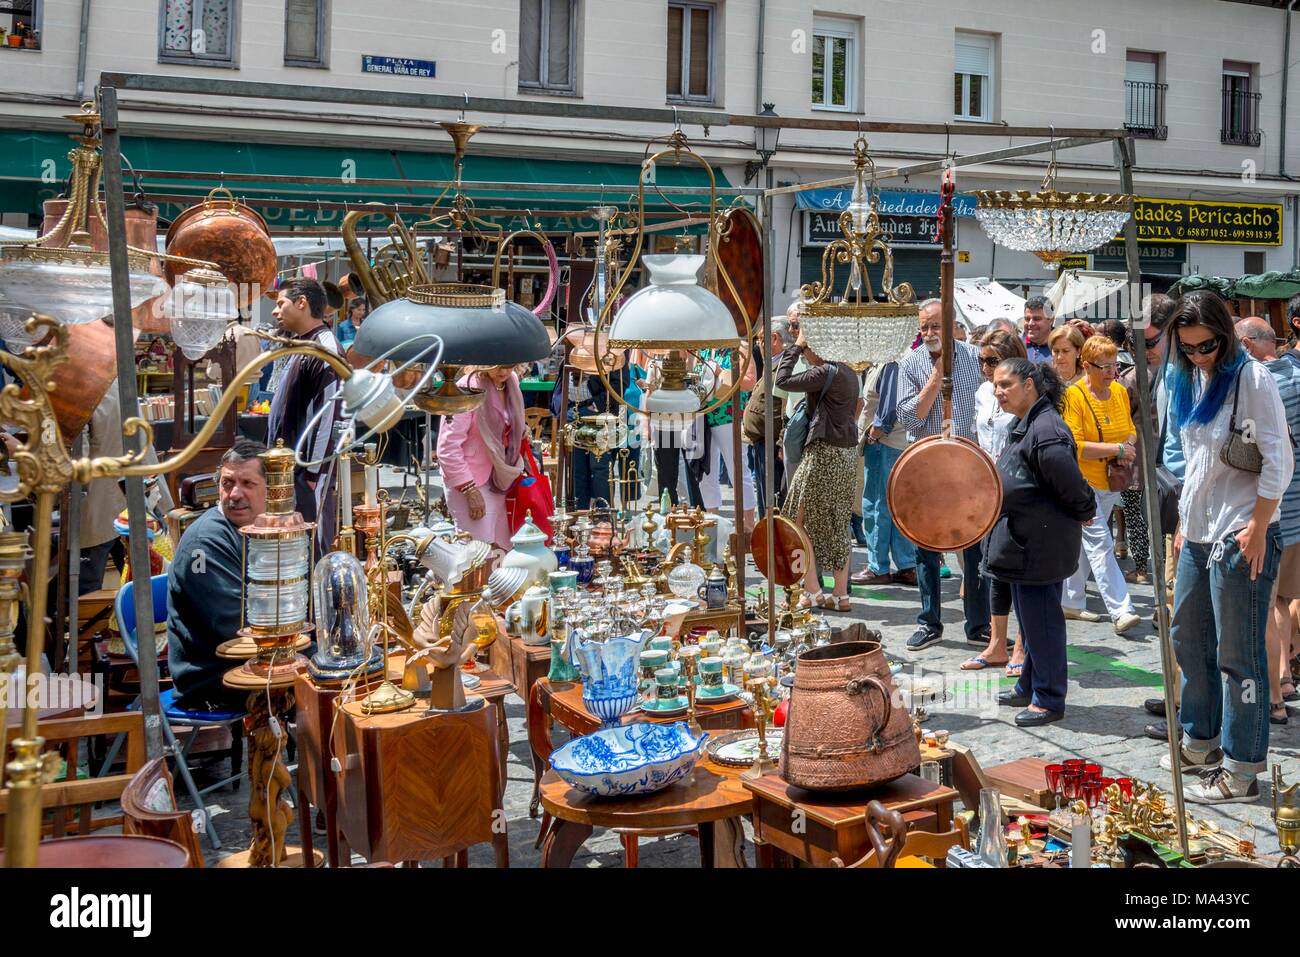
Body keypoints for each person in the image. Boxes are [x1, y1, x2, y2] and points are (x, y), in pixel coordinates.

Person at [1164, 291, 1293, 804]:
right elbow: (1198, 463)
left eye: (1207, 345)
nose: (1198, 355)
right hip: (1199, 528)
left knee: (1237, 656)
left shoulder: (1252, 378)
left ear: (1224, 335)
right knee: (1188, 640)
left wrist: (1259, 527)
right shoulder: (1192, 376)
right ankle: (1201, 741)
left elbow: (1278, 457)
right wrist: (1182, 523)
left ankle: (1242, 769)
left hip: (1243, 530)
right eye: (1189, 347)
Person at [985, 359, 1096, 726]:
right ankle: (1030, 684)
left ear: (1030, 384)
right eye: (996, 385)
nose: (999, 392)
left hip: (1040, 544)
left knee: (1043, 621)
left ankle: (1049, 698)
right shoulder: (1028, 423)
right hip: (1025, 541)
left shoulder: (1046, 429)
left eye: (1006, 384)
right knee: (1031, 620)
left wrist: (1085, 508)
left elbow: (1068, 480)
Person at [897, 299, 990, 650]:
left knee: (973, 548)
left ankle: (978, 623)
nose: (930, 333)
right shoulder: (911, 363)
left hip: (967, 469)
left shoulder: (972, 358)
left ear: (951, 325)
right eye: (925, 327)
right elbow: (909, 418)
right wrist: (935, 380)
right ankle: (929, 621)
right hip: (928, 469)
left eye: (936, 326)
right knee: (925, 548)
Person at [168, 441, 268, 711]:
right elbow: (234, 626)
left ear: (271, 490)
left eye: (247, 483)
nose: (234, 494)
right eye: (227, 483)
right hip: (212, 676)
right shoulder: (206, 541)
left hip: (259, 658)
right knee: (333, 681)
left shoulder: (267, 529)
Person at [1059, 335, 1142, 633]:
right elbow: (1076, 445)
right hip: (1083, 482)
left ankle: (1070, 600)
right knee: (1101, 543)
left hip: (1111, 481)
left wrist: (1127, 447)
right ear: (1086, 366)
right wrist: (1117, 450)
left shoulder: (1119, 392)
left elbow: (1130, 429)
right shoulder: (1074, 396)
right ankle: (1122, 610)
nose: (1111, 372)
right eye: (1104, 366)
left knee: (1087, 543)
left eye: (1114, 365)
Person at [775, 323, 860, 610]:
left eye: (807, 348)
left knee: (800, 521)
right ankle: (840, 595)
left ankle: (811, 591)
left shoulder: (825, 371)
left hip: (822, 453)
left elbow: (782, 380)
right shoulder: (848, 372)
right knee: (838, 524)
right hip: (845, 453)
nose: (804, 354)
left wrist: (795, 346)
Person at [964, 329, 1027, 672]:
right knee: (993, 566)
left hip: (1017, 487)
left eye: (992, 360)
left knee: (1018, 568)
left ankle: (1021, 647)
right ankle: (996, 644)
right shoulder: (982, 393)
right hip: (989, 487)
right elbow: (979, 435)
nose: (985, 368)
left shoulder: (1024, 393)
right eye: (981, 360)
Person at [266, 278, 341, 538]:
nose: (275, 311)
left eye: (280, 303)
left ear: (301, 302)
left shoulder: (324, 348)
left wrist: (312, 472)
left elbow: (328, 414)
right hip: (291, 470)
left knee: (312, 545)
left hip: (305, 473)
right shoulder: (304, 343)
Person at [1120, 295, 1176, 587]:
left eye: (1150, 342)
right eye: (1137, 344)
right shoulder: (1138, 375)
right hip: (1145, 464)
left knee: (1146, 521)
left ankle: (1147, 572)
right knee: (1142, 520)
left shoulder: (1136, 378)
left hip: (1153, 467)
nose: (1143, 350)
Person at [439, 365, 526, 552]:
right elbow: (448, 448)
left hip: (502, 476)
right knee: (476, 552)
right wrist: (469, 489)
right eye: (498, 366)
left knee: (505, 548)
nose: (504, 371)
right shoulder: (466, 388)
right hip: (471, 480)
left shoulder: (512, 383)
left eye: (509, 365)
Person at [850, 354, 918, 587]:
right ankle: (907, 565)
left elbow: (888, 409)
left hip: (886, 442)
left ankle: (878, 566)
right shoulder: (898, 359)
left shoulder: (893, 361)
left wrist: (874, 434)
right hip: (894, 442)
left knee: (878, 505)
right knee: (894, 506)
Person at [1265, 297, 1300, 726]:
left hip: (1285, 504)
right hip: (1287, 503)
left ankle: (1279, 684)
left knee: (1278, 597)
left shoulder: (1279, 376)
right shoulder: (1280, 376)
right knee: (1282, 596)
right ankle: (1283, 678)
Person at [742, 319, 790, 518]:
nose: (758, 345)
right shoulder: (773, 362)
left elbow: (787, 407)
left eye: (761, 339)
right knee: (764, 497)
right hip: (762, 441)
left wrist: (780, 442)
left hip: (771, 443)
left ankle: (771, 539)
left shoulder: (784, 365)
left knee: (771, 500)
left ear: (774, 339)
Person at [1023, 295, 1054, 364]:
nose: (1030, 323)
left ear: (1051, 320)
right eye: (1027, 319)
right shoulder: (1016, 344)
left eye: (1037, 319)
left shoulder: (1062, 345)